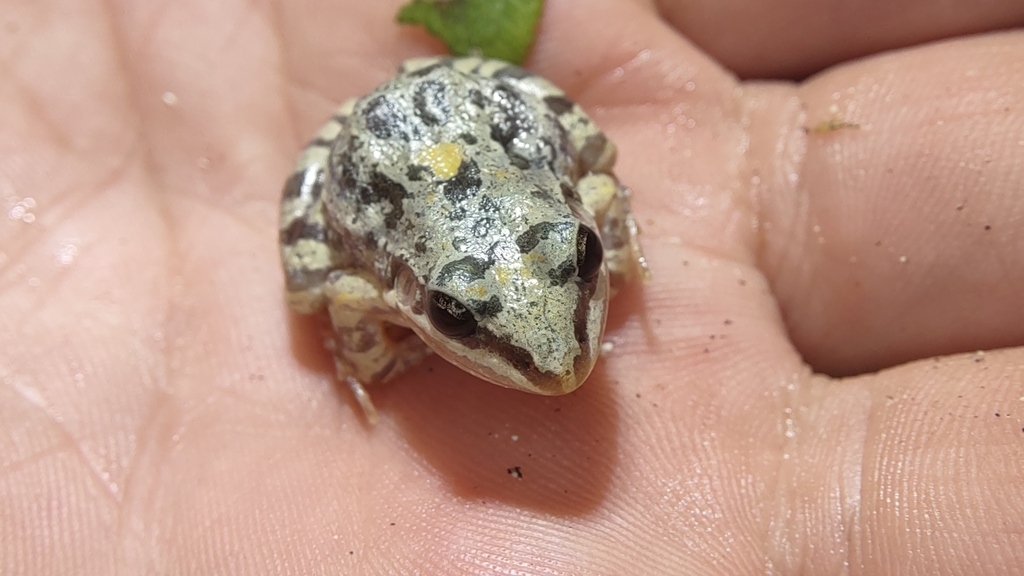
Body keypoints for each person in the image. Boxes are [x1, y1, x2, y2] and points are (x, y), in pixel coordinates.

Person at [2, 0, 1021, 573]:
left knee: (579, 152)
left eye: (581, 264)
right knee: (318, 286)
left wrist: (599, 232)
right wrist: (372, 346)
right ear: (423, 300)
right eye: (457, 320)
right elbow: (353, 299)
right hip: (380, 160)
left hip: (471, 113)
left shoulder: (575, 215)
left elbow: (588, 174)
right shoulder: (385, 288)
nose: (560, 356)